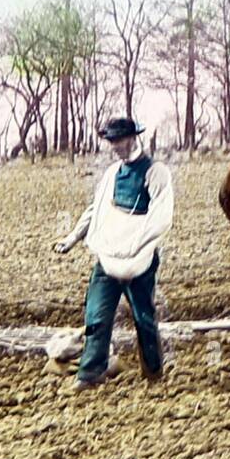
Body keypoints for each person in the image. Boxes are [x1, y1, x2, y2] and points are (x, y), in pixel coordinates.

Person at [54, 117, 174, 390]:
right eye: (112, 141)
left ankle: (153, 372)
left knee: (143, 316)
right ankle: (90, 372)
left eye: (120, 140)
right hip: (108, 256)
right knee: (96, 314)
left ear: (133, 138)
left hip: (138, 258)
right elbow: (96, 210)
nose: (116, 146)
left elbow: (161, 217)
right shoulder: (111, 174)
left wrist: (136, 245)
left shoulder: (155, 172)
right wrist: (72, 238)